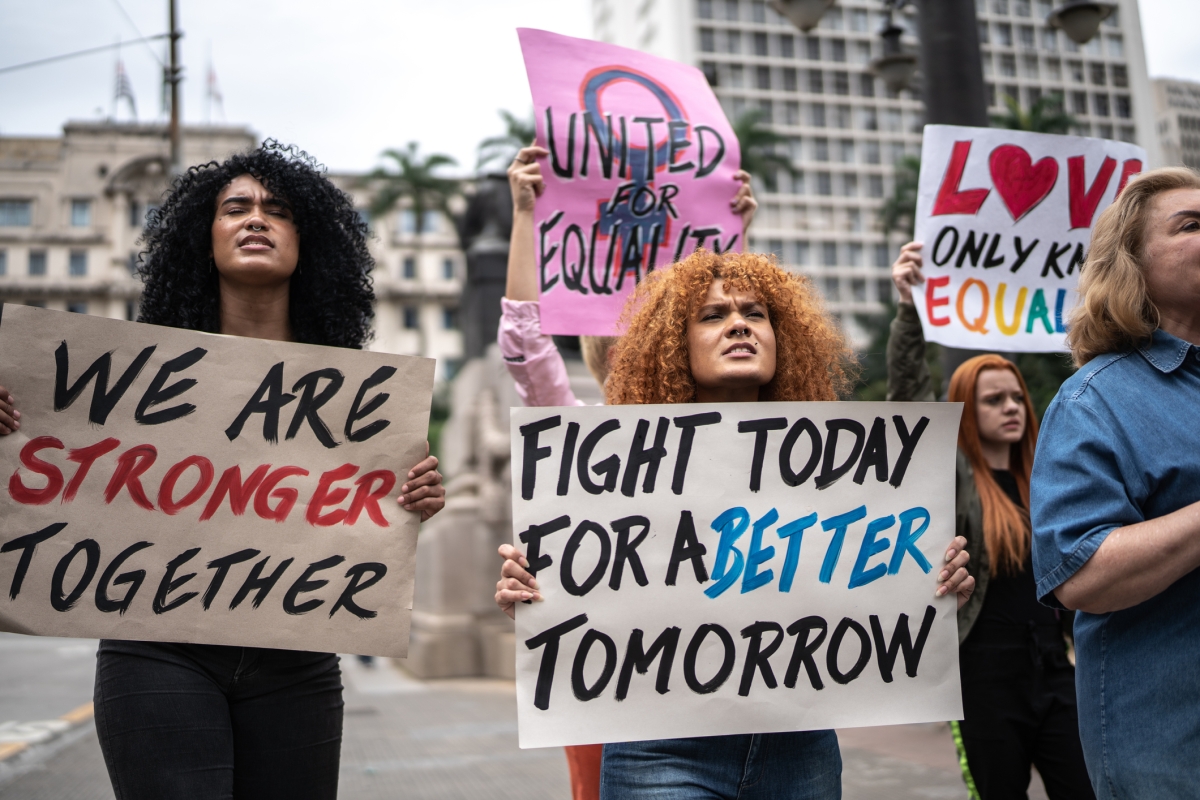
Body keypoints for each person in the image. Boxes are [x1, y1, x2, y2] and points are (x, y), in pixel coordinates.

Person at [0, 141, 445, 799]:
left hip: (299, 659)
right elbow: (64, 480)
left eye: (278, 209)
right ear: (201, 239)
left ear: (308, 240)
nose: (256, 218)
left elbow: (357, 524)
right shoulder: (124, 380)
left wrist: (414, 500)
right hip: (156, 650)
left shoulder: (360, 401)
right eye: (235, 207)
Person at [495, 247, 977, 799]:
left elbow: (859, 591)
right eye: (713, 315)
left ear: (783, 336)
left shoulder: (839, 469)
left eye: (755, 313)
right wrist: (534, 592)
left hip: (801, 748)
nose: (739, 326)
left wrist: (929, 589)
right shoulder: (616, 468)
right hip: (659, 747)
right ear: (676, 342)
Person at [498, 144, 758, 800]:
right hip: (623, 687)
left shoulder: (726, 424)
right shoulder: (580, 432)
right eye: (627, 343)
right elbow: (526, 345)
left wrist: (739, 237)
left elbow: (754, 352)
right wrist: (526, 217)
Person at [890, 243, 1093, 800]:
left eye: (1016, 397)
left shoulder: (1049, 480)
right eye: (992, 400)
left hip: (1055, 664)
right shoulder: (950, 476)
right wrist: (910, 310)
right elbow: (909, 396)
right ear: (964, 408)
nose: (1011, 407)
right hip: (981, 671)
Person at [1030, 167, 1200, 800]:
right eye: (1190, 225)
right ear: (1131, 263)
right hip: (1169, 750)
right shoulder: (1094, 401)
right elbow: (1081, 575)